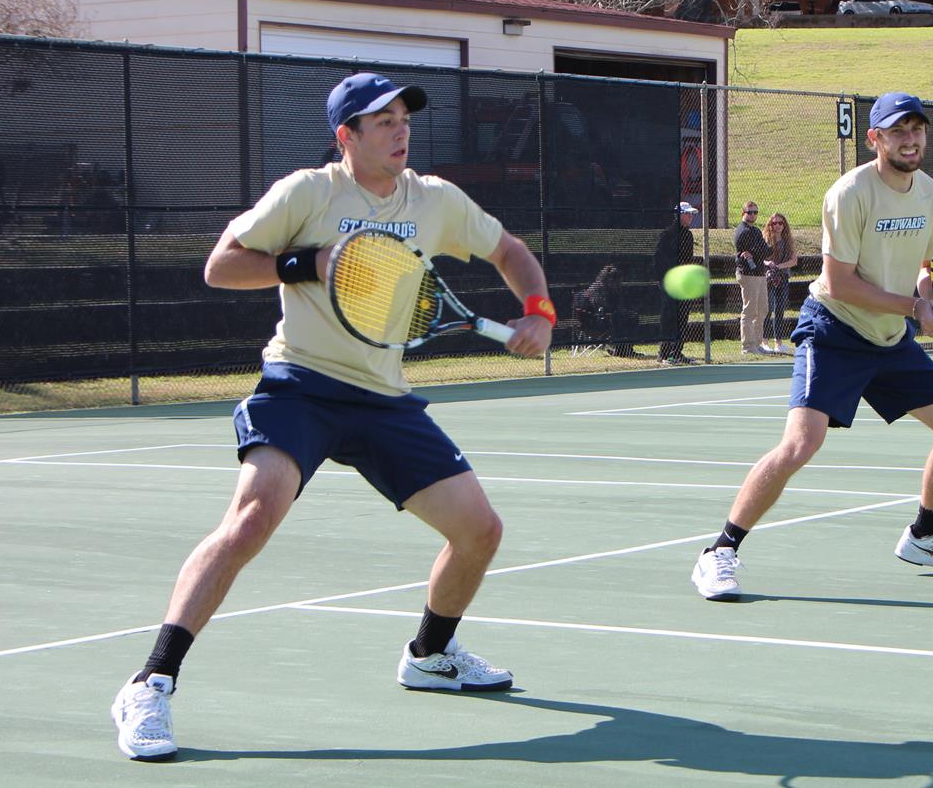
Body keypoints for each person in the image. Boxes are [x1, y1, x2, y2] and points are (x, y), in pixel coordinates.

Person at [110, 72, 554, 761]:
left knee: (481, 530)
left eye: (404, 117)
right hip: (301, 387)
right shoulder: (308, 192)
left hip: (383, 398)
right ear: (345, 135)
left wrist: (538, 311)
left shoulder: (434, 201)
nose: (400, 129)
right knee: (253, 517)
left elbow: (510, 251)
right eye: (382, 121)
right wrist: (306, 261)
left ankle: (430, 656)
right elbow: (220, 267)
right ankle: (151, 681)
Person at [690, 92, 933, 602]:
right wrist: (912, 309)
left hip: (890, 338)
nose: (910, 139)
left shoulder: (932, 195)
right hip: (834, 330)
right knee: (801, 445)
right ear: (875, 139)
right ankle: (719, 551)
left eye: (917, 129)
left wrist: (926, 301)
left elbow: (927, 266)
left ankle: (927, 534)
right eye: (898, 131)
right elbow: (842, 283)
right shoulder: (850, 194)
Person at [652, 202, 697, 364]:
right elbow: (658, 261)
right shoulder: (666, 235)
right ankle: (663, 354)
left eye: (691, 214)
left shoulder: (688, 235)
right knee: (669, 318)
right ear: (679, 215)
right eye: (687, 214)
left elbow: (688, 260)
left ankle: (677, 353)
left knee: (682, 318)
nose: (690, 217)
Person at [733, 201, 772, 355]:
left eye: (755, 212)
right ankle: (748, 346)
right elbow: (760, 251)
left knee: (762, 309)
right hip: (748, 275)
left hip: (759, 274)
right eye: (750, 212)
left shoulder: (755, 230)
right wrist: (760, 251)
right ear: (743, 213)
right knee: (750, 311)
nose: (753, 215)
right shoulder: (743, 231)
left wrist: (772, 242)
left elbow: (765, 251)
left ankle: (757, 343)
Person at [573, 264, 634, 356]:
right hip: (596, 324)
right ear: (611, 280)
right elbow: (602, 309)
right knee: (624, 319)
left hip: (591, 323)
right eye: (618, 282)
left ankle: (624, 349)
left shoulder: (602, 287)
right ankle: (622, 350)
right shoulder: (600, 290)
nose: (619, 284)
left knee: (629, 317)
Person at [761, 212, 797, 354]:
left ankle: (779, 342)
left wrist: (779, 266)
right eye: (774, 223)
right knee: (768, 309)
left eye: (780, 223)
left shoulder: (788, 240)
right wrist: (769, 263)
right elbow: (760, 258)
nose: (777, 226)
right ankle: (764, 341)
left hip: (783, 277)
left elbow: (794, 260)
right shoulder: (766, 239)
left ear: (784, 225)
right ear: (770, 225)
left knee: (780, 309)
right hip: (769, 277)